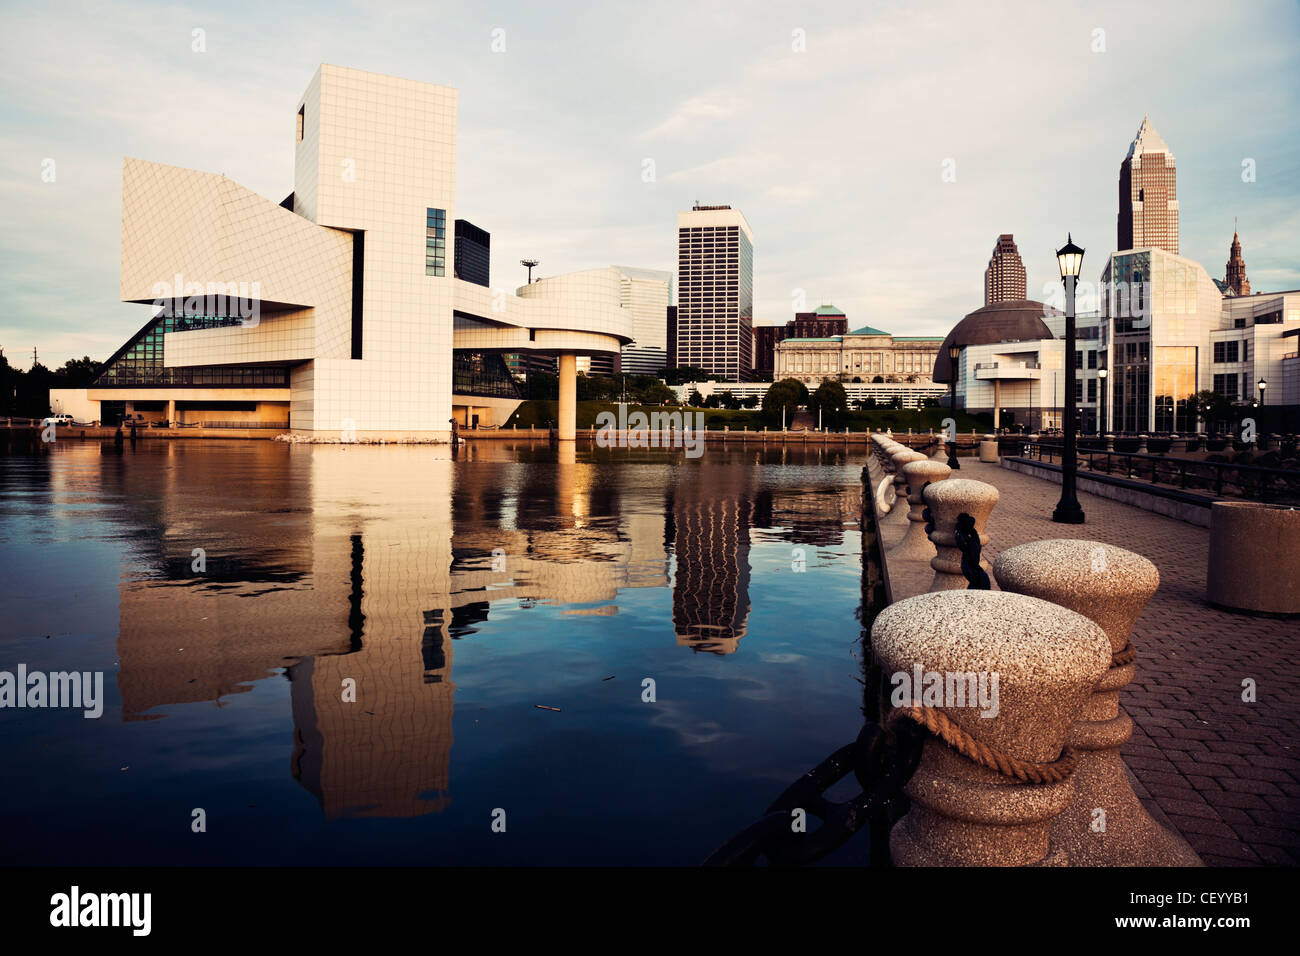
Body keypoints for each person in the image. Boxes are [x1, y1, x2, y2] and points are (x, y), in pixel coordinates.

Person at [954, 512, 990, 589]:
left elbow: (962, 543)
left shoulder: (965, 534)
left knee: (975, 575)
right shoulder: (970, 535)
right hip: (971, 564)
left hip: (969, 564)